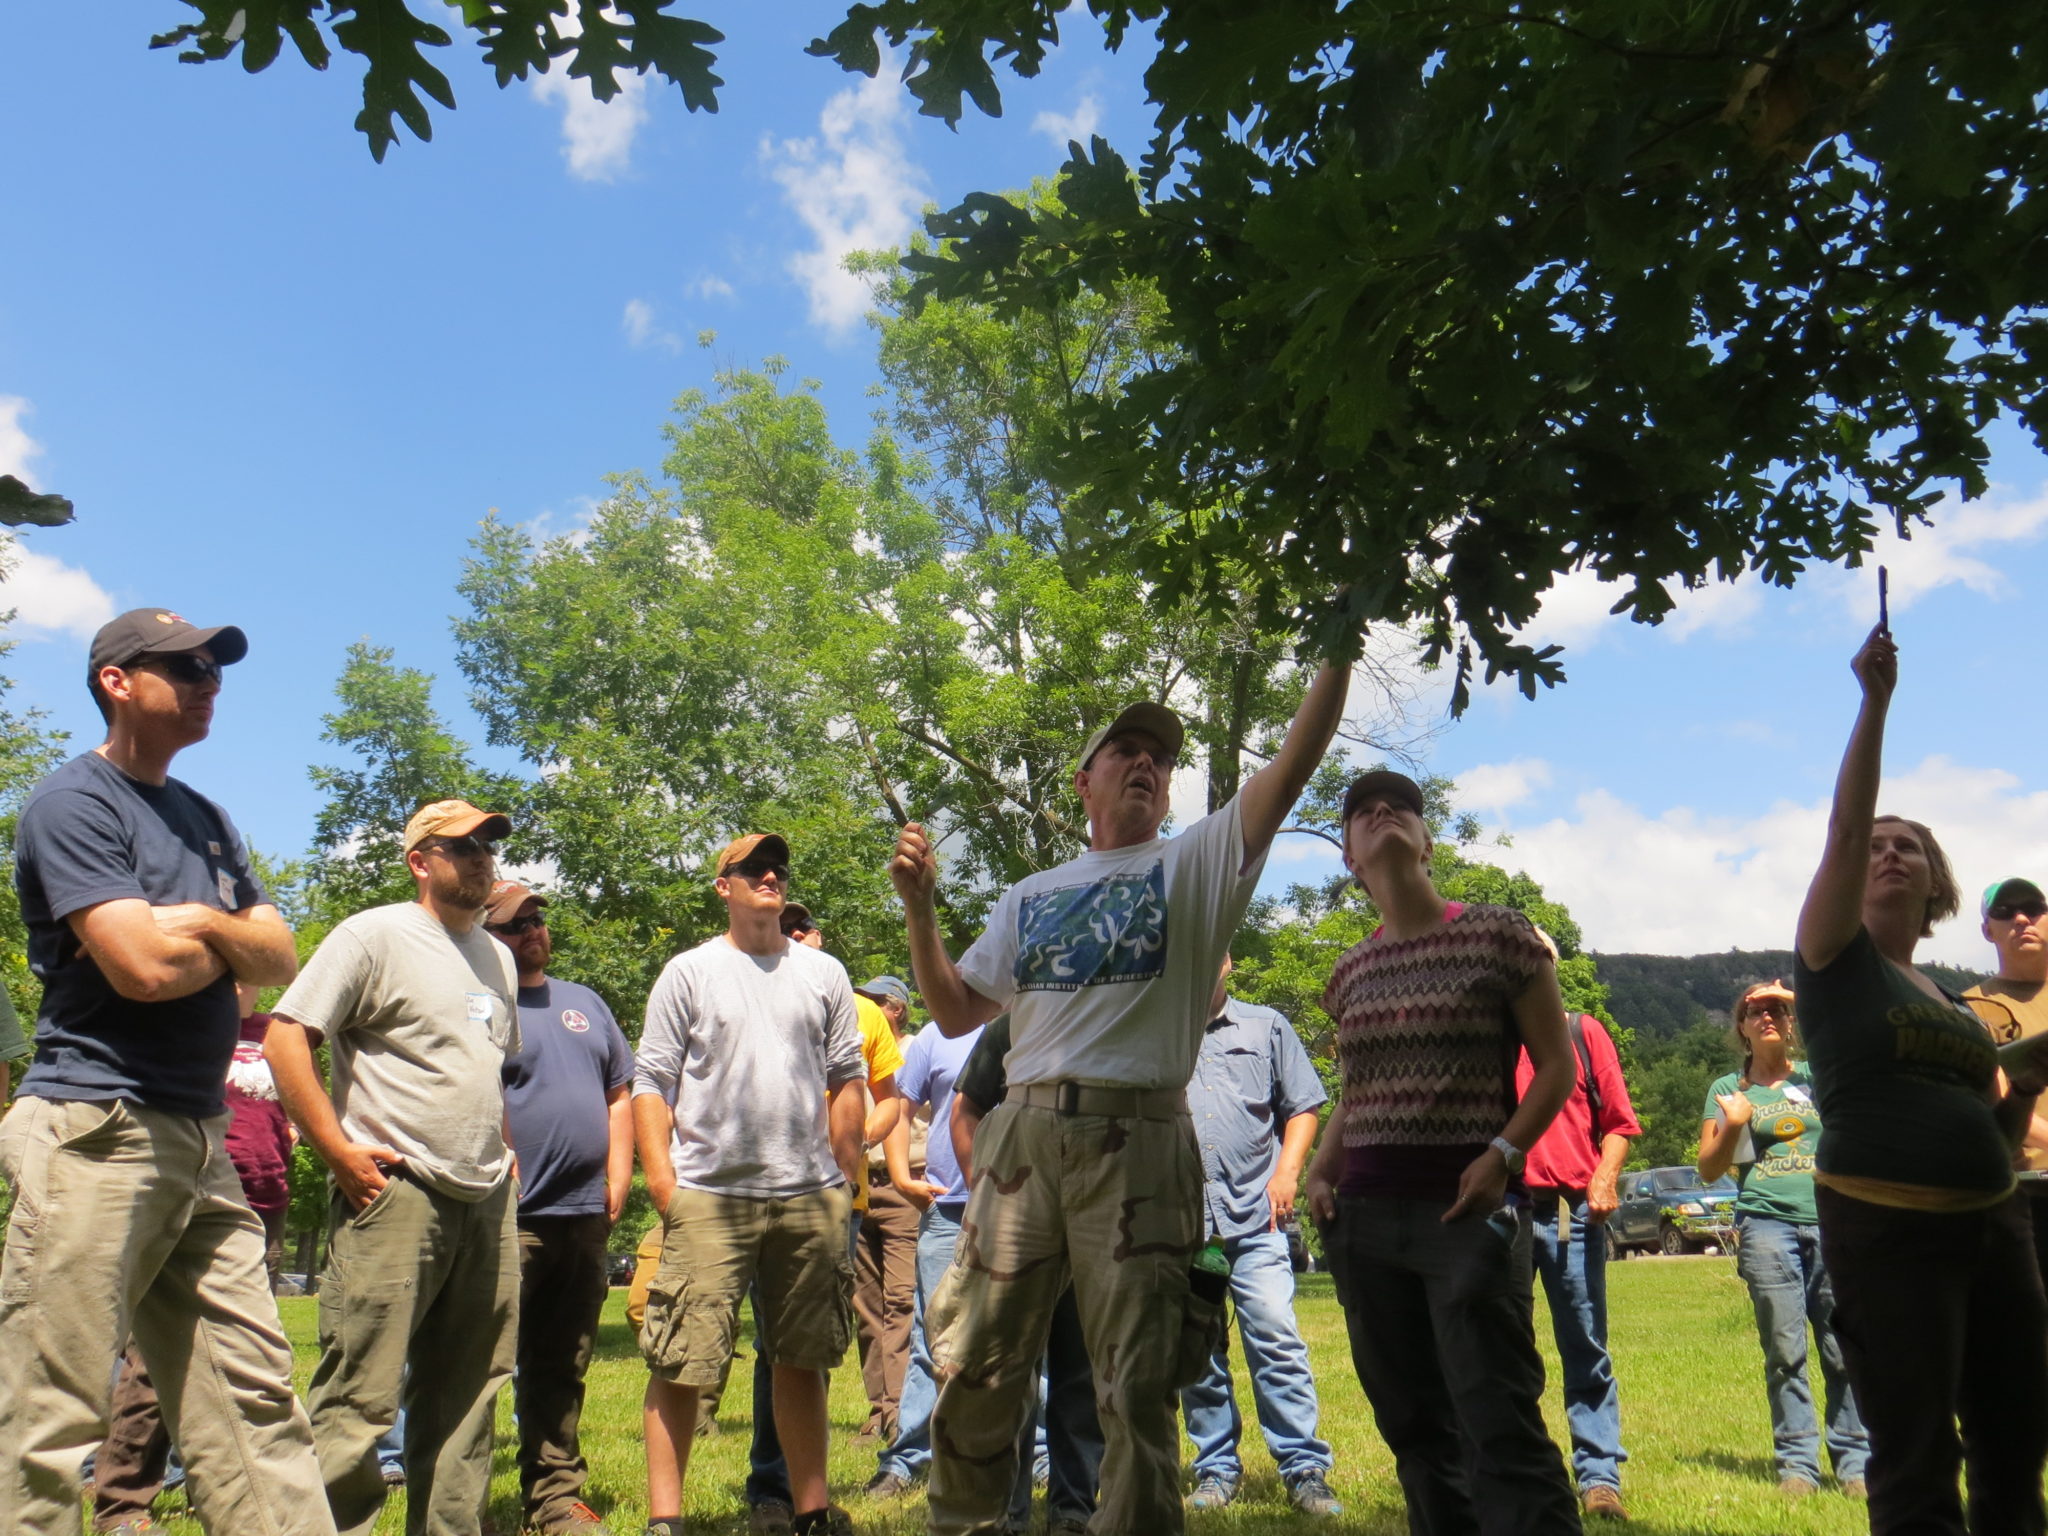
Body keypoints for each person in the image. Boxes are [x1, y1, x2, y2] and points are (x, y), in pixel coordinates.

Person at [890, 660, 1350, 1536]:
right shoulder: (1030, 895)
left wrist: (1339, 645)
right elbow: (954, 1009)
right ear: (1085, 780)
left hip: (1139, 1145)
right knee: (979, 1363)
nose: (1146, 763)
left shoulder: (1197, 864)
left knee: (1137, 1386)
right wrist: (921, 912)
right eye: (1126, 751)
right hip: (1023, 1139)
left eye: (1160, 758)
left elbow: (1293, 762)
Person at [1, 607, 331, 1536]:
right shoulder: (74, 804)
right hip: (93, 1127)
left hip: (199, 1136)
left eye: (215, 670)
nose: (208, 683)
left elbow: (279, 959)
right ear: (116, 681)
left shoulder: (207, 819)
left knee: (255, 1397)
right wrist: (230, 944)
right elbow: (141, 971)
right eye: (183, 668)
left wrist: (200, 926)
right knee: (49, 1411)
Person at [1794, 626, 2047, 1532]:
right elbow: (1845, 825)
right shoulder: (1833, 956)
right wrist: (1875, 701)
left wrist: (2022, 1074)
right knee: (1915, 1457)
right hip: (1887, 1227)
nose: (1891, 852)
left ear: (1938, 880)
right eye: (1881, 844)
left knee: (2017, 1444)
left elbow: (1994, 1110)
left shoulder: (1949, 999)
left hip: (1997, 1228)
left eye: (1913, 846)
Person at [1304, 768, 1581, 1535]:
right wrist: (1323, 1169)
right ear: (1350, 861)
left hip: (1469, 1215)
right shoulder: (1348, 972)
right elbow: (1359, 1093)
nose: (1381, 811)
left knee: (1498, 1423)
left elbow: (1559, 1067)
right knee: (1415, 1430)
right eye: (1361, 812)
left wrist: (1504, 1153)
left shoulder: (1502, 935)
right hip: (1365, 1224)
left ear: (1427, 840)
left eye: (1399, 806)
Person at [266, 798, 524, 1536]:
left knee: (472, 1395)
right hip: (397, 1189)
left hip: (485, 1196)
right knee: (363, 1395)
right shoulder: (373, 934)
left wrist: (505, 1159)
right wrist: (337, 1150)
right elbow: (289, 1037)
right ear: (419, 860)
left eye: (488, 844)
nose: (481, 856)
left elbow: (487, 1071)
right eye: (462, 845)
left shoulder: (496, 955)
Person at [632, 832, 865, 1536]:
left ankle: (812, 1511)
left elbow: (847, 1078)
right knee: (682, 1361)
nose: (770, 876)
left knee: (801, 1360)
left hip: (809, 1196)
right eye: (753, 869)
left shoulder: (823, 973)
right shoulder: (689, 972)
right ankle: (664, 1520)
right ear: (722, 887)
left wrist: (843, 1175)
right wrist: (664, 1184)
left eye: (779, 869)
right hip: (709, 1196)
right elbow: (651, 1081)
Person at [91, 980, 302, 1533]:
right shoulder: (189, 1023)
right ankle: (121, 1504)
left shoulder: (276, 1034)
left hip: (266, 1204)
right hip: (191, 1195)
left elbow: (298, 1100)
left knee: (247, 1357)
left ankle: (213, 1489)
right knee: (151, 1363)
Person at [487, 880, 637, 1535]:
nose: (533, 932)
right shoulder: (479, 1006)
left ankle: (555, 1499)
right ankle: (457, 1502)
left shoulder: (584, 1003)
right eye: (517, 925)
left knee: (561, 1364)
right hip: (506, 1220)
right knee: (479, 1365)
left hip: (583, 1217)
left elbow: (620, 1091)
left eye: (537, 920)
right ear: (487, 936)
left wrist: (620, 1173)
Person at [1178, 958, 1341, 1518]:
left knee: (1274, 1337)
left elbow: (1302, 1106)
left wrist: (1288, 1173)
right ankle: (1216, 1469)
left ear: (1225, 962)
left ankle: (1304, 1468)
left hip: (1255, 1217)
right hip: (1184, 1224)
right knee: (1197, 1350)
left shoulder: (1266, 1025)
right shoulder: (1157, 1030)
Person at [1695, 979, 1867, 1499]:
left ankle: (1855, 1463)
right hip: (1766, 1223)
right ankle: (1797, 1464)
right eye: (1756, 1011)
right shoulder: (1728, 1090)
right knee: (1784, 1348)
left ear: (1792, 1022)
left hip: (1833, 1220)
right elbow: (1708, 1168)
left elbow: (1847, 1037)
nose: (1768, 1017)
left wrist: (1798, 1000)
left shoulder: (1820, 1078)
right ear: (1742, 1027)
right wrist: (1733, 1125)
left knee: (1843, 1347)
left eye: (1778, 1011)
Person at [939, 1014, 1106, 1536]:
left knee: (1080, 1372)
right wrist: (984, 1192)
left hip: (1091, 1223)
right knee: (1005, 1375)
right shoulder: (1013, 1025)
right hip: (1014, 1227)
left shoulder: (1114, 1019)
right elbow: (965, 1110)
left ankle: (1074, 1510)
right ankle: (1007, 1515)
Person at [1515, 980, 1641, 1521]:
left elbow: (1617, 1123)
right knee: (1500, 1349)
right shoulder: (1492, 1038)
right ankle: (1517, 1470)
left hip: (1572, 1214)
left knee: (1585, 1344)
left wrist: (1605, 1177)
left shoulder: (1581, 1032)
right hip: (1505, 1212)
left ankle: (1599, 1477)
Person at [862, 1011, 990, 1505]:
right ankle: (907, 1457)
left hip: (1022, 1208)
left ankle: (1041, 1452)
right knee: (928, 1335)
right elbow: (897, 1101)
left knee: (1030, 1333)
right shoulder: (938, 1034)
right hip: (949, 1207)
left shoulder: (1035, 1023)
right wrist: (899, 1173)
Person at [1962, 876, 2048, 1276]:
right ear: (1987, 930)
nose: (2021, 919)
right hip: (2029, 1190)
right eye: (2004, 911)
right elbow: (1994, 1101)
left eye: (2032, 908)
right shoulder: (1973, 1008)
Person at [852, 975, 921, 1442]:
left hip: (904, 1188)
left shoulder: (920, 1049)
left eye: (876, 1002)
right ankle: (878, 1409)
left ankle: (901, 1411)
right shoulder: (857, 1054)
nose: (866, 1008)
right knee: (865, 1306)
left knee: (902, 1300)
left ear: (895, 1009)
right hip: (858, 1185)